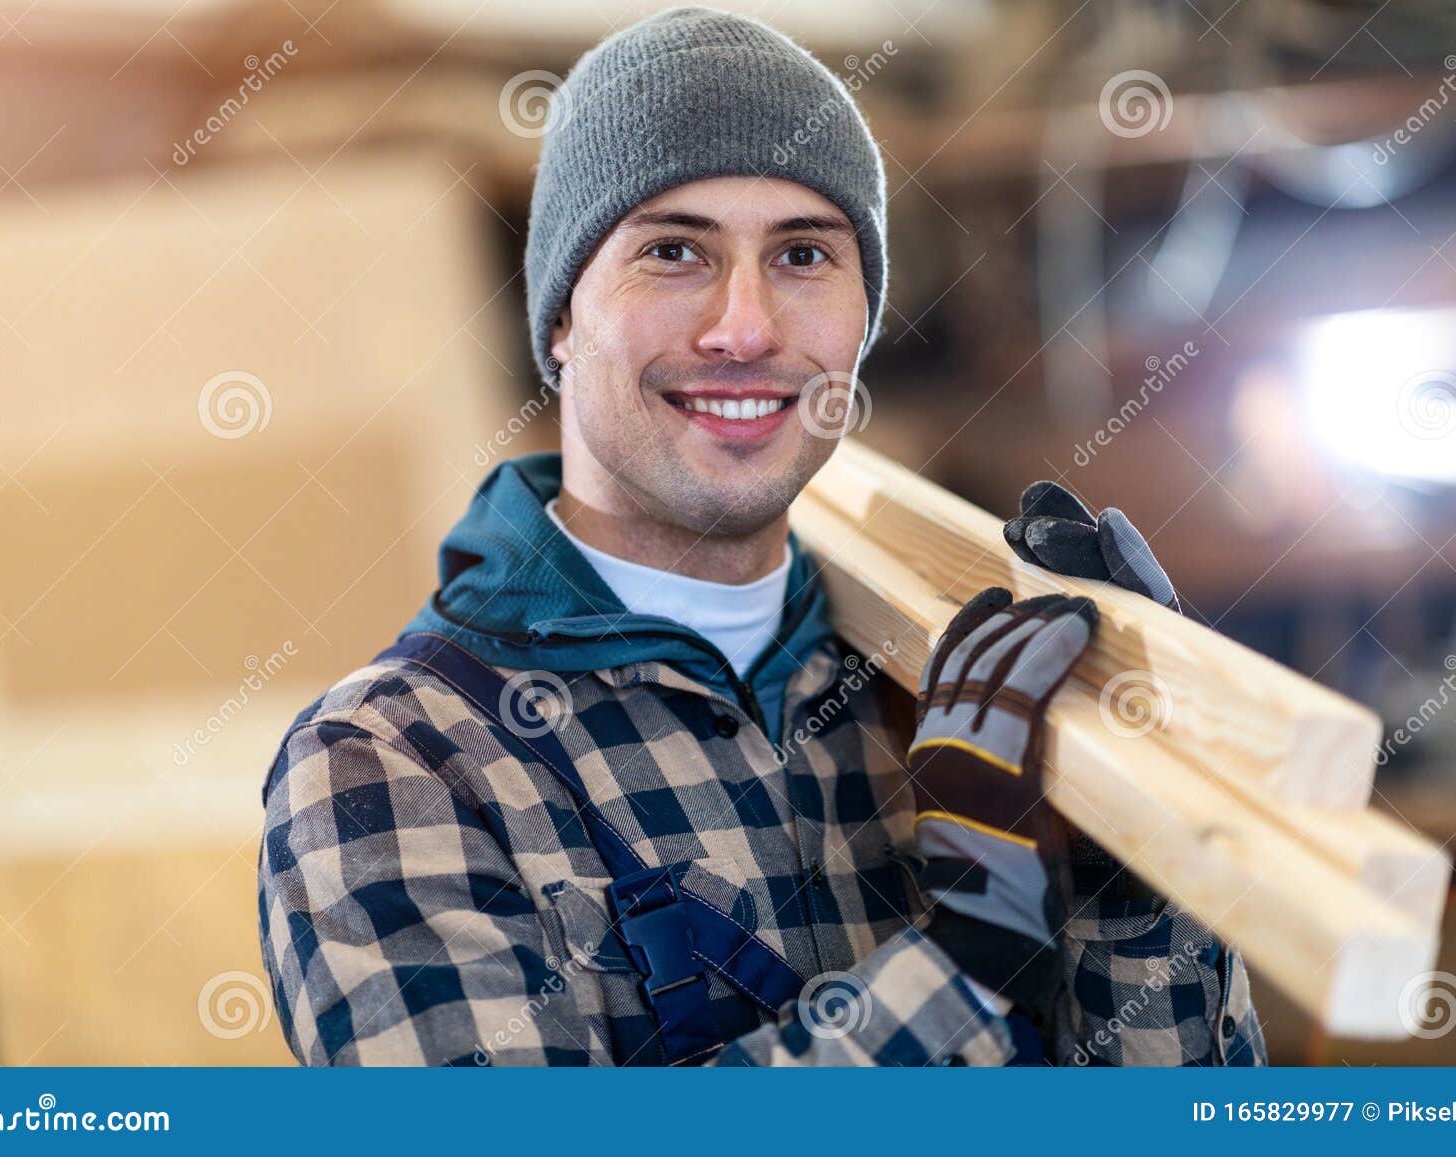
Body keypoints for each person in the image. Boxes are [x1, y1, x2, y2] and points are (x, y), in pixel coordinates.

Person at [256, 6, 1266, 1067]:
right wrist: (969, 964)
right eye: (674, 250)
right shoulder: (394, 761)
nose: (745, 327)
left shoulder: (929, 679)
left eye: (800, 254)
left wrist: (1130, 857)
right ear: (560, 318)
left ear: (861, 321)